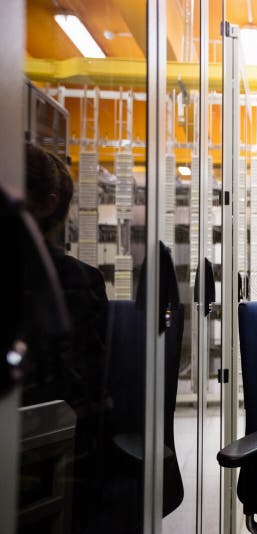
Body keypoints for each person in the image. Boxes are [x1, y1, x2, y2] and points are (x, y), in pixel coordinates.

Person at [22, 142, 109, 533]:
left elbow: (75, 392)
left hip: (44, 454)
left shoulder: (72, 281)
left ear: (45, 204)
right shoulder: (79, 278)